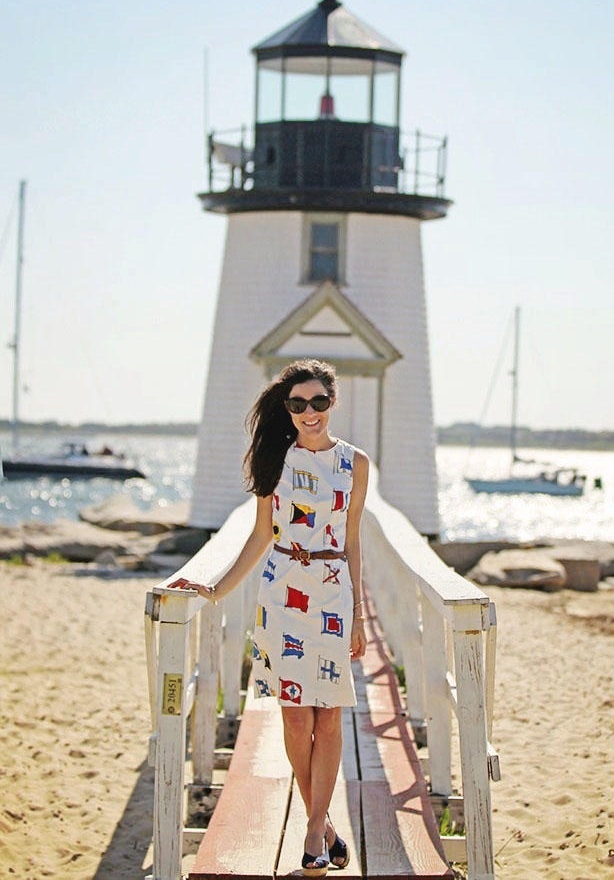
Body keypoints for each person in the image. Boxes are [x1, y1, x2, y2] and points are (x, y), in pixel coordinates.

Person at [170, 359, 369, 876]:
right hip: (282, 594)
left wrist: (358, 616)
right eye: (299, 404)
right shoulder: (274, 459)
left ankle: (314, 828)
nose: (309, 412)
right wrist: (215, 589)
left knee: (329, 717)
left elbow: (352, 540)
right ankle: (323, 827)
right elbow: (262, 535)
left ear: (332, 402)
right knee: (296, 717)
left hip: (333, 594)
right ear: (288, 408)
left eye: (318, 402)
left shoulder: (356, 463)